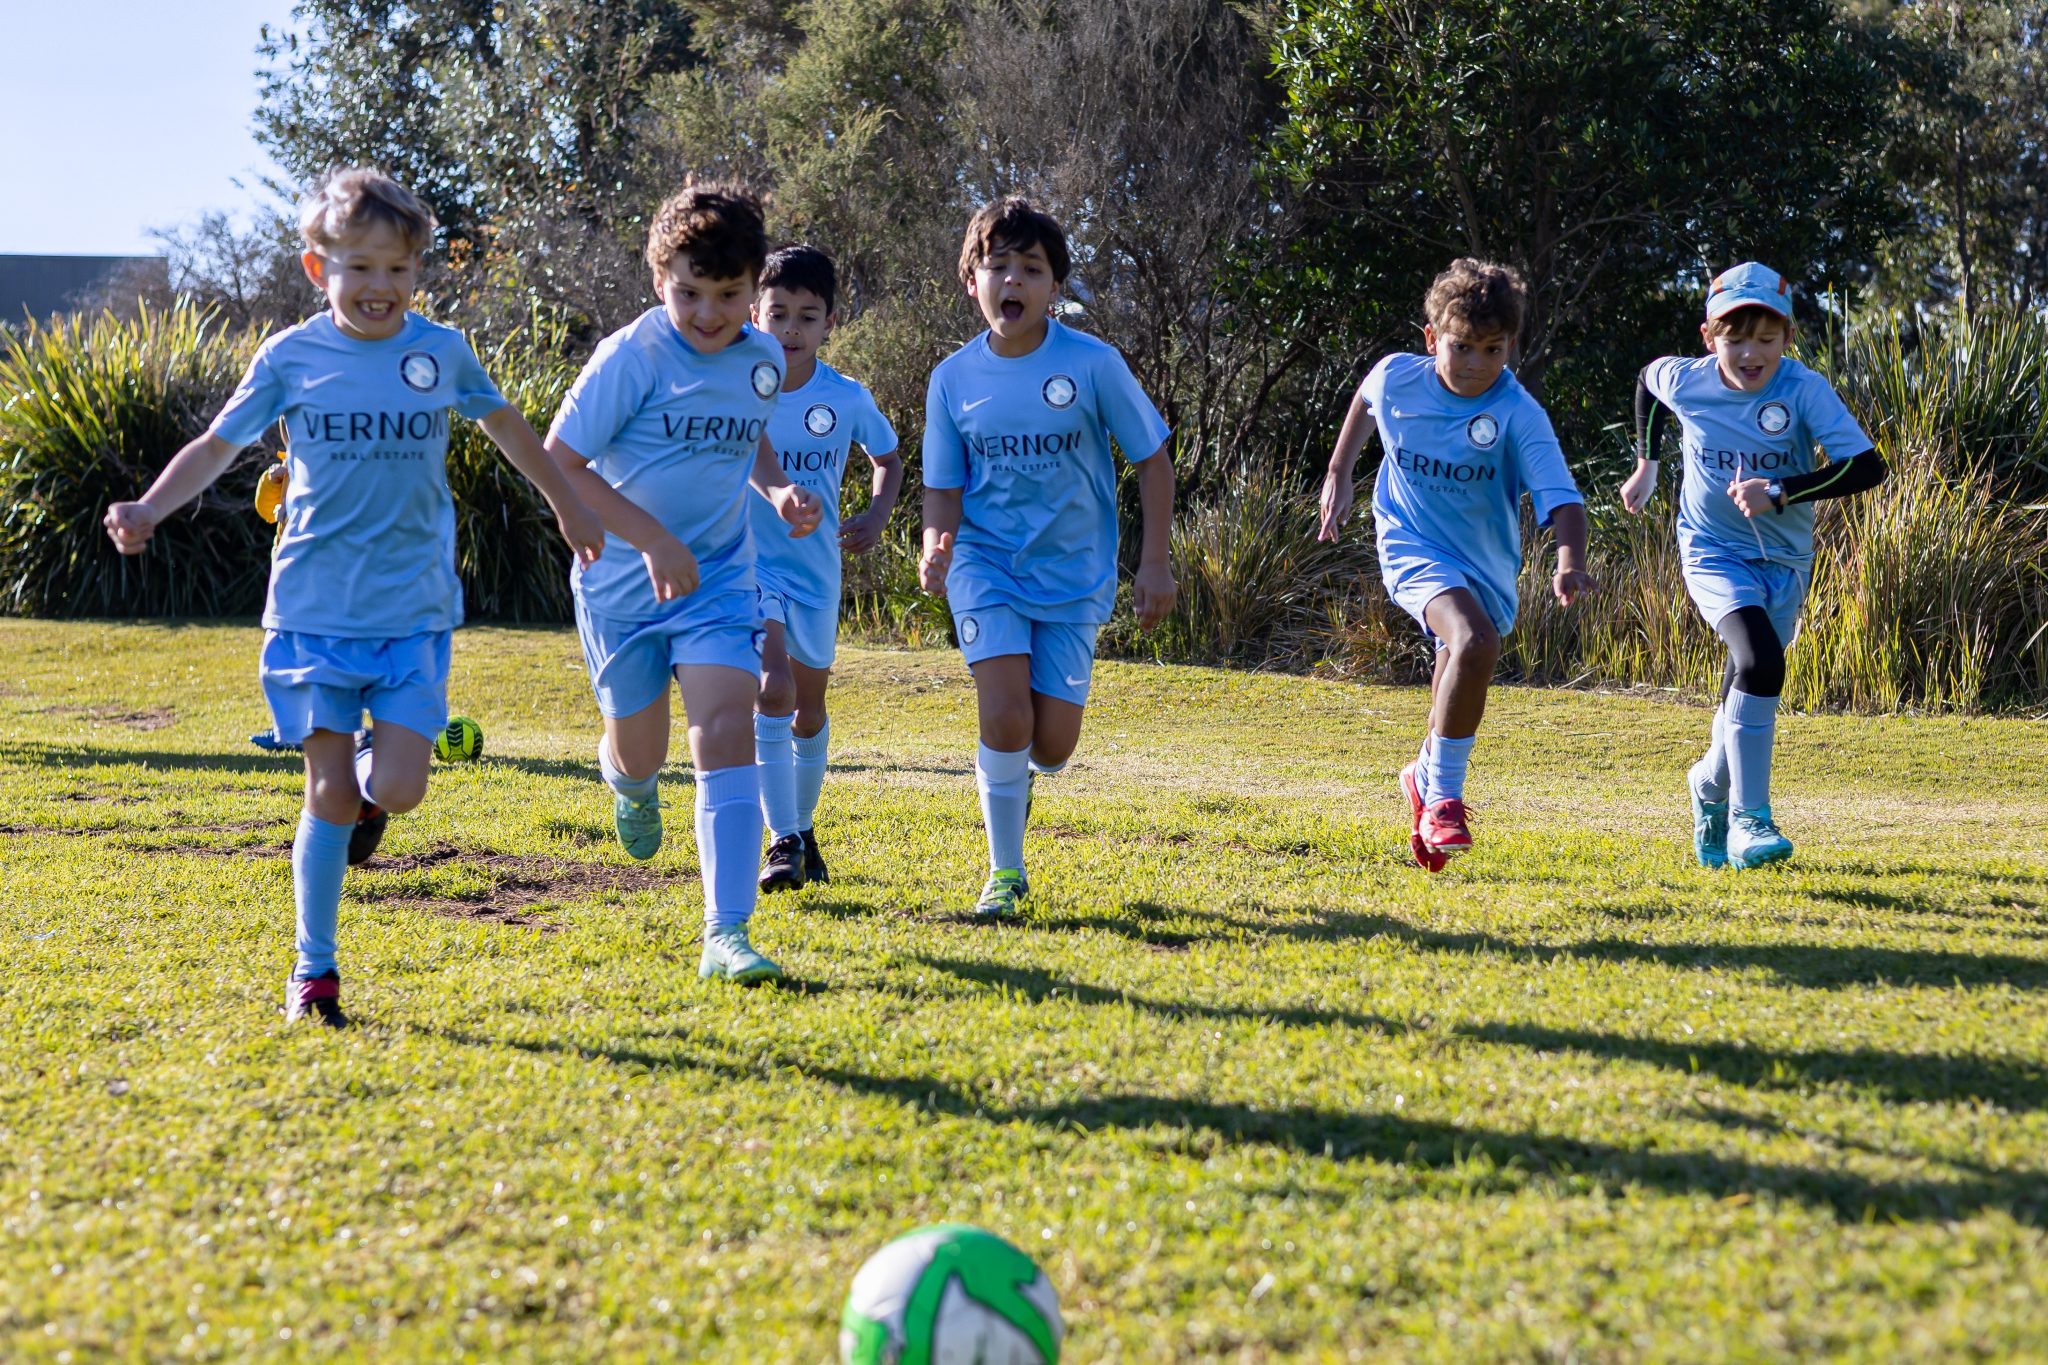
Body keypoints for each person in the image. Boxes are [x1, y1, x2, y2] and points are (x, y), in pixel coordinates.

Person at [102, 168, 603, 1026]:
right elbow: (217, 446)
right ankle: (315, 970)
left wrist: (566, 501)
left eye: (399, 269)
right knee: (328, 796)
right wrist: (149, 506)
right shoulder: (289, 358)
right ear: (317, 267)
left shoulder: (441, 352)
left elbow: (509, 426)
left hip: (413, 609)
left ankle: (372, 775)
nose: (382, 286)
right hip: (312, 612)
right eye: (361, 267)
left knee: (399, 788)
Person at [545, 181, 822, 984]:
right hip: (622, 590)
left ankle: (725, 933)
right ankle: (628, 784)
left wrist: (778, 489)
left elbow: (750, 439)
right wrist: (653, 540)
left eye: (729, 295)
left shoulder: (762, 359)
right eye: (689, 292)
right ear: (659, 277)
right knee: (643, 753)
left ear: (753, 287)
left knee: (726, 727)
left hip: (719, 577)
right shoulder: (631, 358)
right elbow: (563, 465)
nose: (708, 313)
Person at [920, 197, 1177, 918]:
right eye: (998, 265)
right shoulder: (952, 379)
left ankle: (1019, 775)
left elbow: (1153, 460)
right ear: (971, 280)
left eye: (1031, 269)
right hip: (985, 565)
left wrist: (1155, 563)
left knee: (1052, 746)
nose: (1014, 280)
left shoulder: (1092, 364)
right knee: (1005, 717)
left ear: (1055, 288)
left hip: (1073, 574)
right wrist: (937, 546)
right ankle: (1005, 873)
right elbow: (942, 488)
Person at [1319, 258, 1594, 870]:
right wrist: (1339, 471)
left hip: (1485, 563)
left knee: (1461, 664)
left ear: (1510, 346)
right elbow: (1366, 399)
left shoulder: (1518, 413)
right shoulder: (1398, 377)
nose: (1475, 364)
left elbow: (1563, 500)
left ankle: (1423, 775)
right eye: (1461, 346)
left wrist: (1569, 560)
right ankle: (1443, 797)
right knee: (1474, 640)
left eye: (1492, 350)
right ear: (1431, 338)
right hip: (1411, 541)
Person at [1621, 262, 1884, 869]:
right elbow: (1648, 382)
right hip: (1711, 549)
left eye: (1767, 338)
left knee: (1749, 677)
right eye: (1735, 339)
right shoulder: (1686, 380)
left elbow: (1867, 467)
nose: (1751, 353)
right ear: (1708, 337)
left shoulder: (1804, 389)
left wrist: (1783, 491)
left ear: (1788, 337)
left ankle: (1708, 785)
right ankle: (1750, 819)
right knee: (1761, 661)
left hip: (1786, 560)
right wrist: (1647, 465)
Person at [747, 245, 902, 893]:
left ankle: (803, 830)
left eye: (807, 317)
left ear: (830, 322)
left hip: (816, 572)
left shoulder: (846, 396)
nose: (791, 329)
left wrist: (877, 514)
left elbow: (887, 457)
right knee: (772, 689)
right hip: (749, 566)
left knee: (808, 712)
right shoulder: (737, 386)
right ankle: (780, 838)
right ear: (754, 315)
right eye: (778, 313)